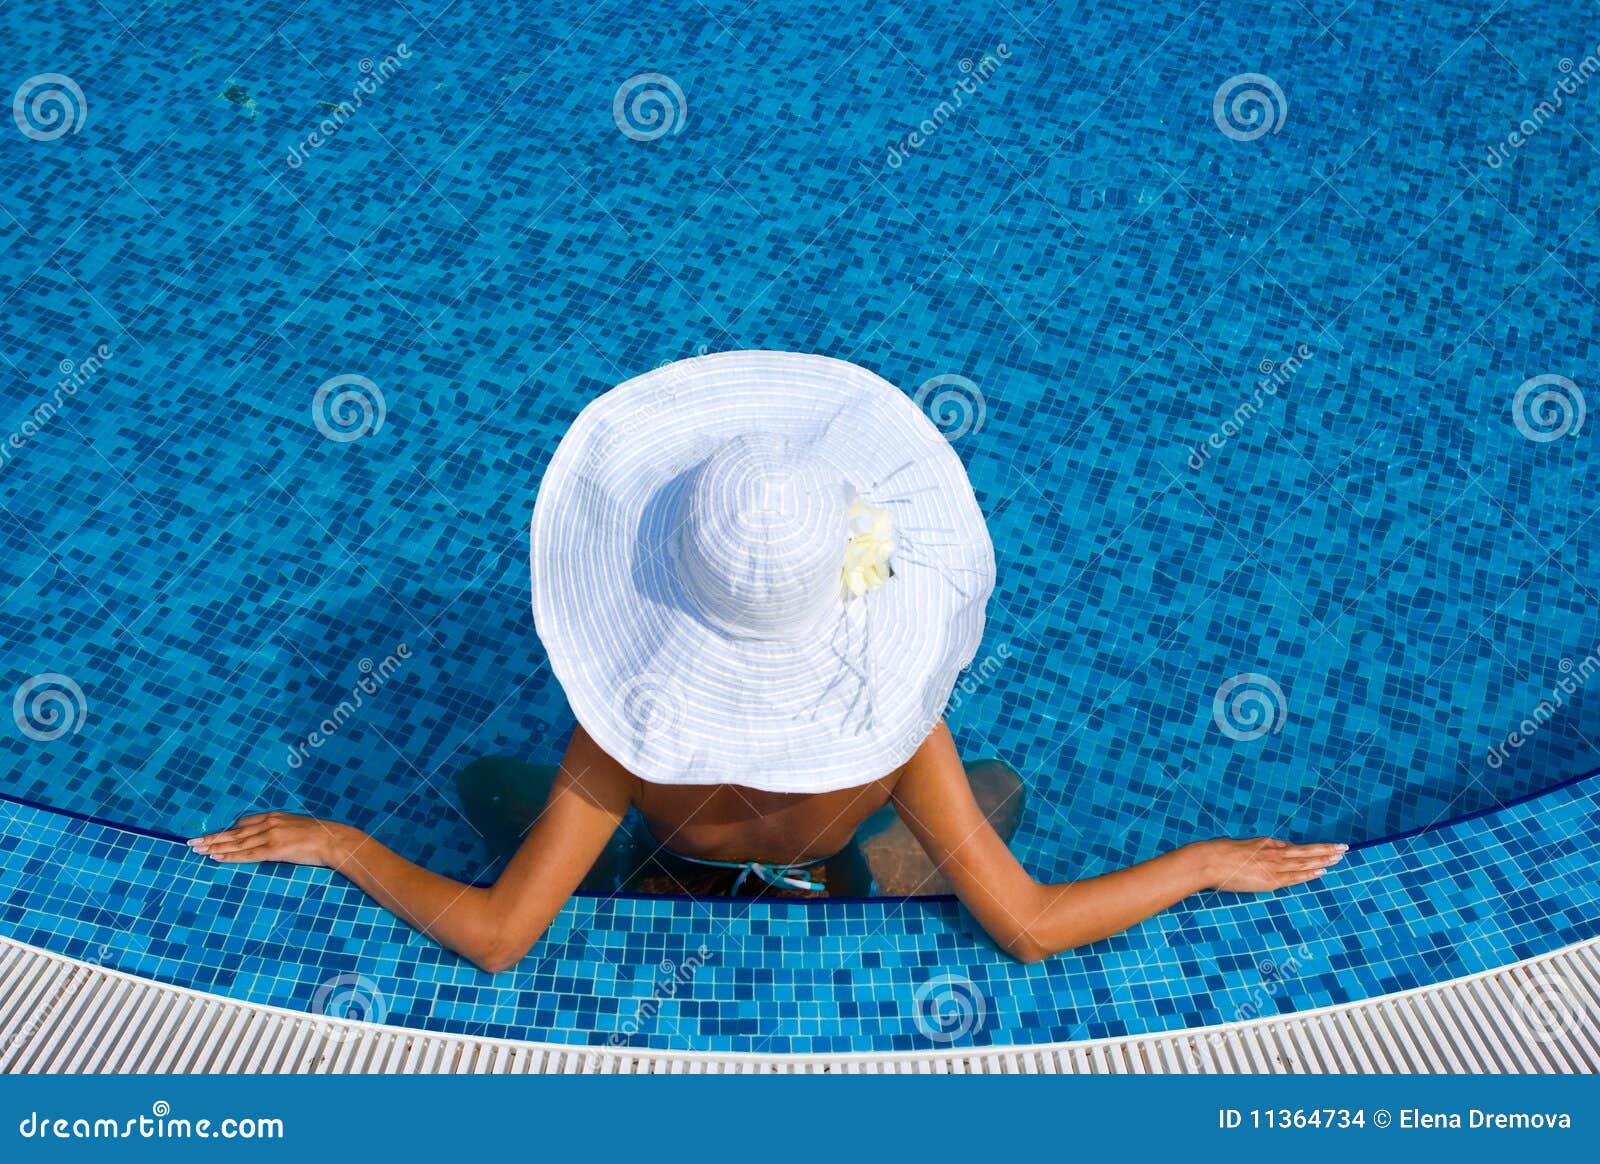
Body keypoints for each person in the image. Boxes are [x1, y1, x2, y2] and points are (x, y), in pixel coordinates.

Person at [189, 352, 1344, 970]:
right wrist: (1196, 864)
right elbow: (1030, 926)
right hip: (824, 873)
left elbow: (496, 941)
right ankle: (847, 895)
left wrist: (341, 844)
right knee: (1003, 796)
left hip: (663, 870)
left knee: (481, 784)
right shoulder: (898, 727)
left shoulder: (624, 728)